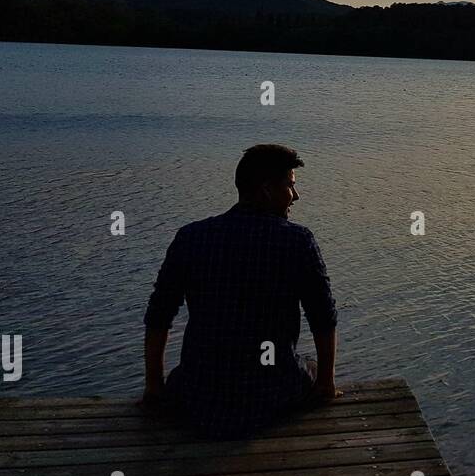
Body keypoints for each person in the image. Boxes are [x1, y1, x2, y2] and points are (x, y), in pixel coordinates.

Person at [140, 143, 341, 437]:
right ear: (265, 190)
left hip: (199, 395)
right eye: (289, 186)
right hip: (273, 395)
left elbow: (158, 316)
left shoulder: (190, 238)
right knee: (307, 364)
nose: (295, 196)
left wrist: (155, 386)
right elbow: (323, 318)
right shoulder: (297, 242)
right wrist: (326, 383)